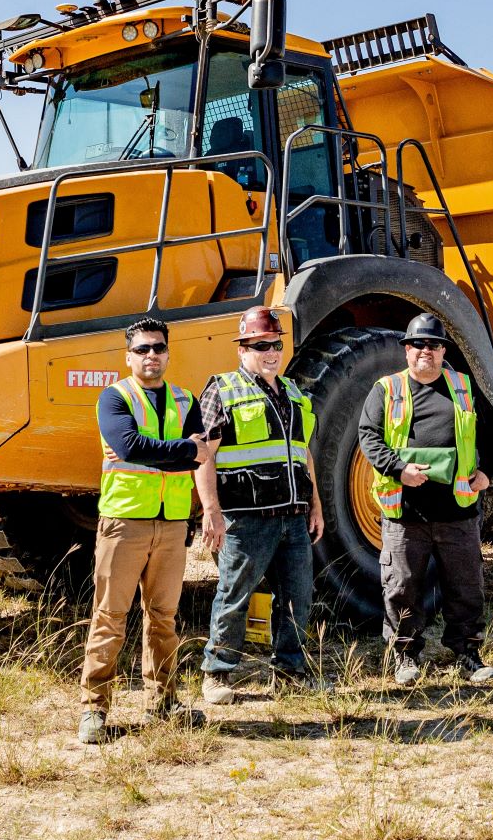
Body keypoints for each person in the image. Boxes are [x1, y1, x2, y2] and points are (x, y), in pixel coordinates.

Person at [357, 312, 493, 686]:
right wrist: (399, 469)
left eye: (434, 345)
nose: (426, 350)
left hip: (457, 512)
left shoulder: (463, 387)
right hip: (405, 513)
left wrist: (486, 472)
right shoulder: (387, 389)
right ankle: (405, 657)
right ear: (406, 350)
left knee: (466, 587)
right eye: (419, 344)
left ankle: (468, 654)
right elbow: (368, 436)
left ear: (443, 351)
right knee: (402, 588)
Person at [77, 317, 207, 744]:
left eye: (158, 348)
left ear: (168, 353)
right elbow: (129, 446)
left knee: (164, 619)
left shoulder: (185, 399)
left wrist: (172, 453)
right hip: (124, 522)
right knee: (110, 616)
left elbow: (199, 456)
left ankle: (163, 702)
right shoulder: (114, 398)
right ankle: (94, 708)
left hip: (171, 523)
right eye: (142, 349)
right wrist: (183, 449)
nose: (152, 355)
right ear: (128, 356)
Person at [194, 306, 323, 705]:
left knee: (297, 598)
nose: (271, 352)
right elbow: (203, 456)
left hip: (294, 517)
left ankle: (289, 671)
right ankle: (217, 673)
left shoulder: (294, 393)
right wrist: (211, 511)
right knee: (234, 596)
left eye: (276, 345)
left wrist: (316, 504)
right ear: (243, 349)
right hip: (246, 520)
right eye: (261, 345)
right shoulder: (223, 390)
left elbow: (303, 454)